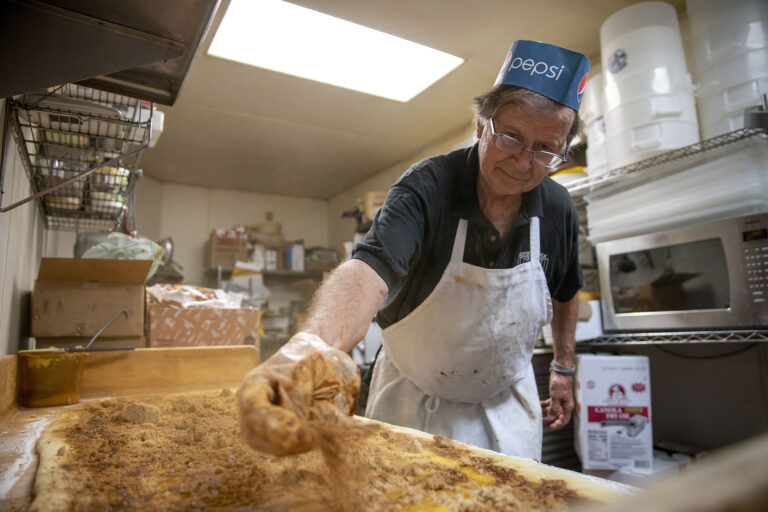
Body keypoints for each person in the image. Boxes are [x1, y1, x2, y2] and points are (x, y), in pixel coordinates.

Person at [238, 40, 590, 460]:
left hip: (506, 410)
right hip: (415, 404)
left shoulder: (557, 208)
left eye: (545, 149)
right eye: (511, 137)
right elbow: (368, 272)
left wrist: (563, 369)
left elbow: (566, 292)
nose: (522, 162)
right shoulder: (428, 187)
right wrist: (311, 350)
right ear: (481, 124)